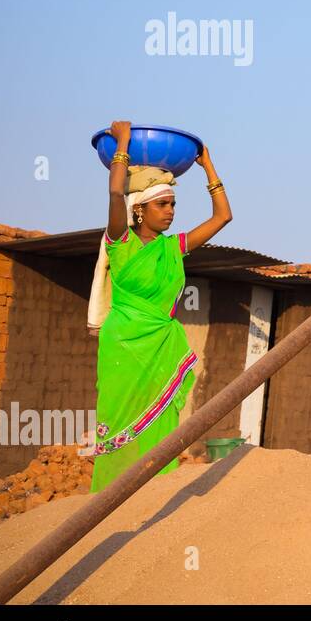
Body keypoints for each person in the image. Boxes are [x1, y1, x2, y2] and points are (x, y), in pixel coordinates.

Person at [86, 120, 232, 492]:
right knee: (119, 419)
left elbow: (222, 217)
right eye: (162, 204)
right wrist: (122, 143)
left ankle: (152, 493)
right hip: (123, 346)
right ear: (140, 210)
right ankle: (108, 495)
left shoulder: (173, 248)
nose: (170, 211)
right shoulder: (121, 242)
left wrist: (208, 166)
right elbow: (116, 192)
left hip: (160, 348)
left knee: (161, 425)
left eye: (173, 204)